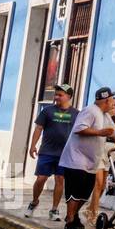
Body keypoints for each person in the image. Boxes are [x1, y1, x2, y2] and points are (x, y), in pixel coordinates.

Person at [57, 87, 115, 229]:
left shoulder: (104, 115)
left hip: (90, 161)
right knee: (75, 192)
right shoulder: (90, 111)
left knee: (86, 192)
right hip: (76, 159)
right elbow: (79, 129)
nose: (114, 102)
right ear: (106, 100)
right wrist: (100, 132)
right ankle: (69, 222)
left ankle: (73, 216)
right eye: (113, 99)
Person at [24, 84, 78, 221]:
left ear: (69, 97)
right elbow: (38, 128)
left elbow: (80, 133)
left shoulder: (76, 114)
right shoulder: (47, 111)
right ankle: (34, 201)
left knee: (60, 180)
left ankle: (54, 210)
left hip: (65, 154)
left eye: (60, 95)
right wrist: (32, 146)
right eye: (56, 94)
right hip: (47, 151)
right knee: (41, 178)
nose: (57, 97)